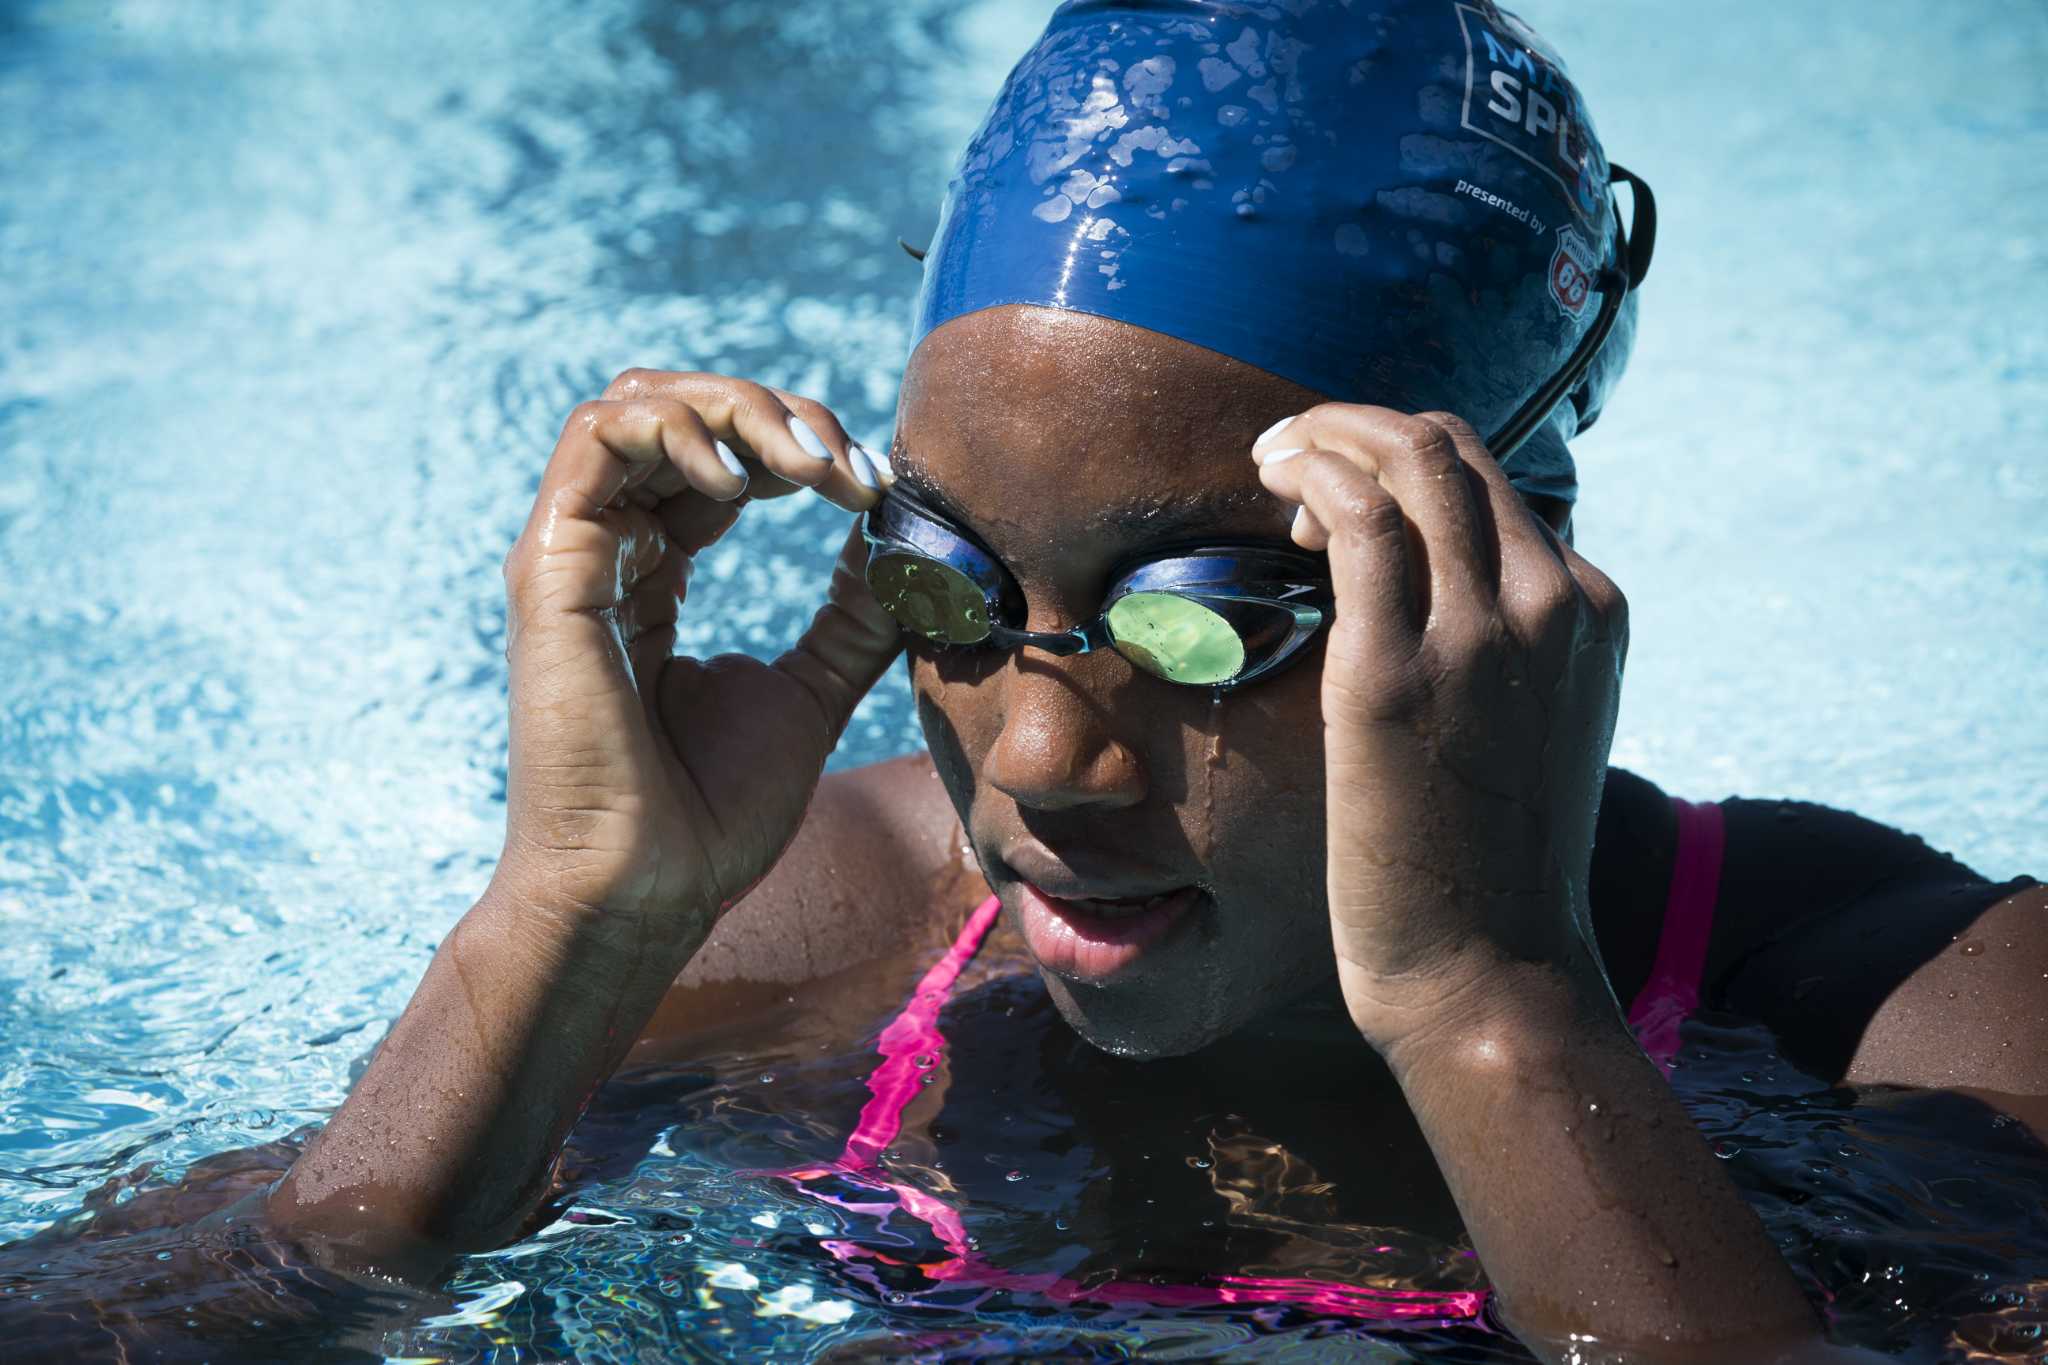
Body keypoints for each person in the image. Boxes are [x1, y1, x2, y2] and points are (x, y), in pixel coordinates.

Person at [4, 2, 2041, 1361]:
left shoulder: (1916, 1000)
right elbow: (174, 1310)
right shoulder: (839, 918)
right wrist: (572, 916)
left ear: (1507, 565)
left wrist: (1489, 1002)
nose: (1042, 756)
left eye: (1207, 612)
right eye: (950, 589)